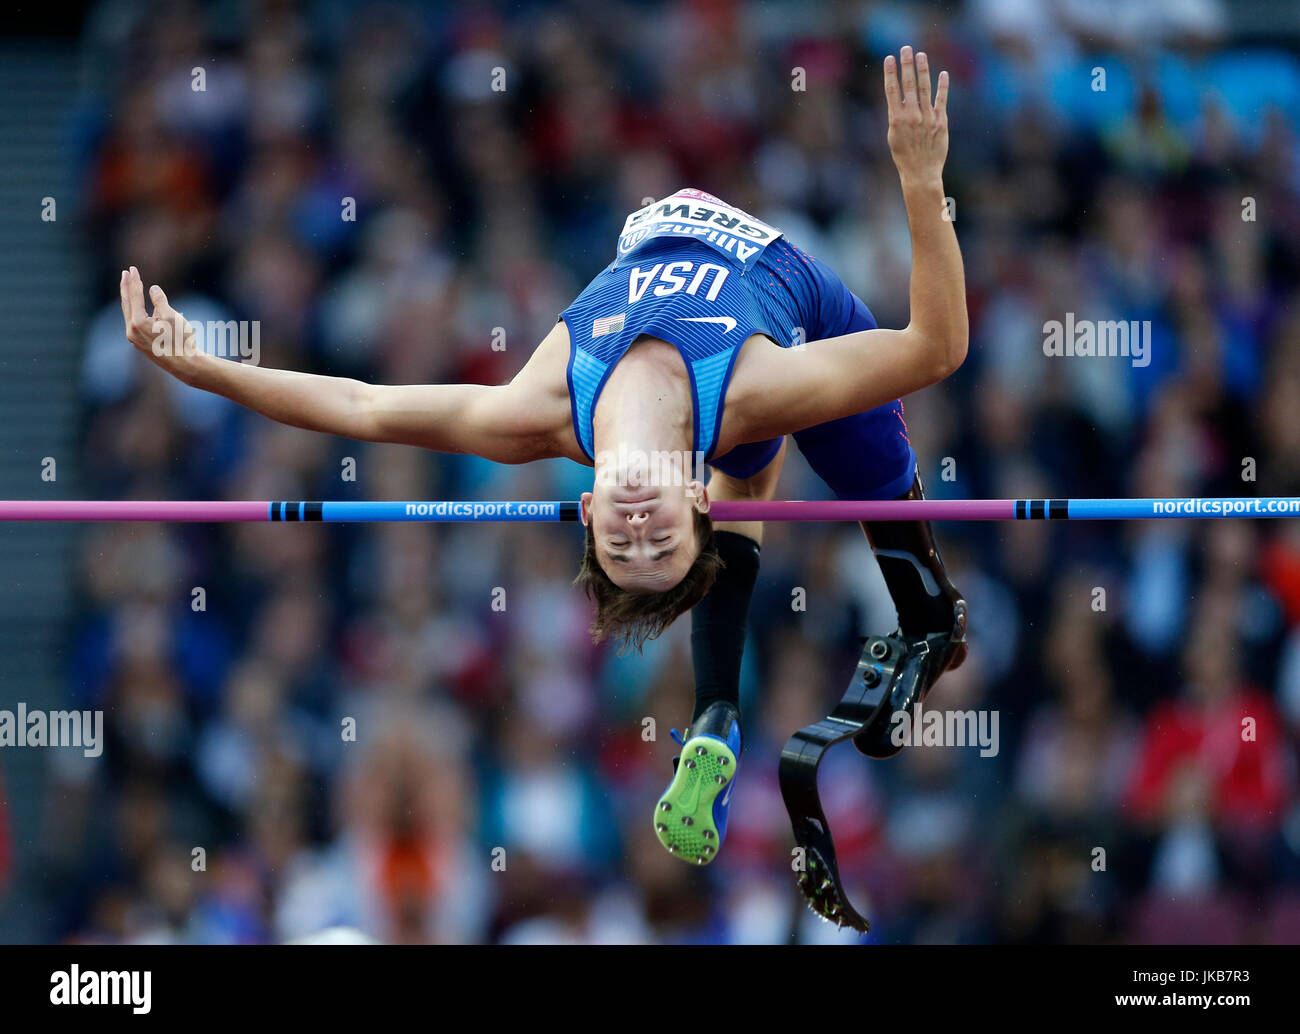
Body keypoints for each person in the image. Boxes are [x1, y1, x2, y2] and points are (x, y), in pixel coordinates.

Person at [120, 47, 968, 863]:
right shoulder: (754, 389)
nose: (638, 530)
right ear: (690, 501)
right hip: (792, 294)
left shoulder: (540, 411)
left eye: (621, 546)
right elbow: (936, 347)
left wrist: (206, 369)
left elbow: (361, 406)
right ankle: (924, 616)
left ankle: (721, 707)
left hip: (682, 302)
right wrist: (922, 183)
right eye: (660, 543)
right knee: (869, 473)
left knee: (755, 465)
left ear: (588, 511)